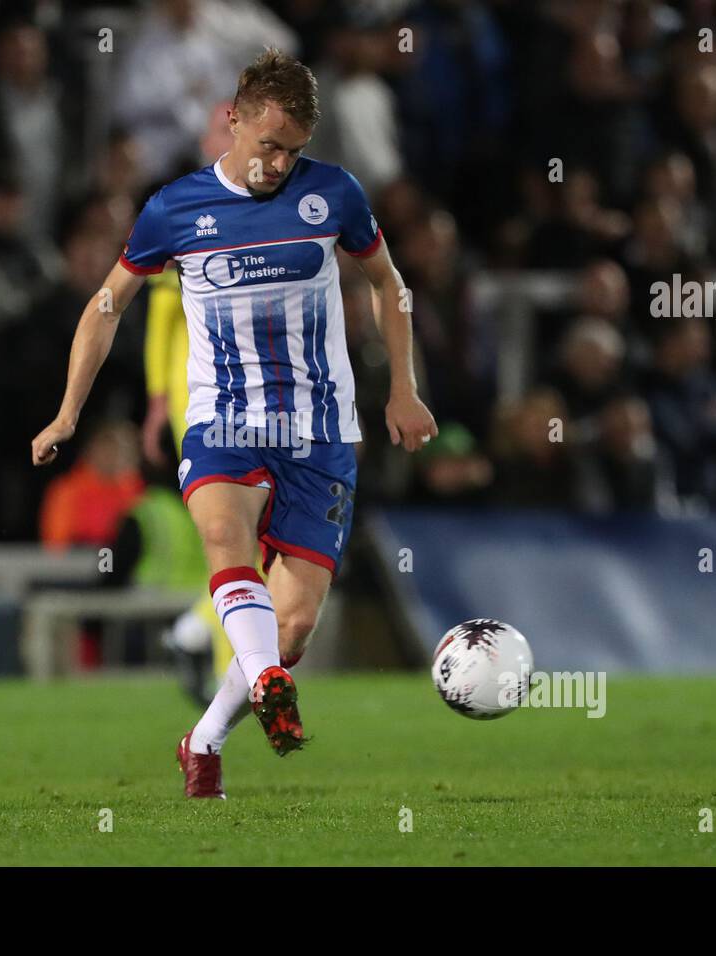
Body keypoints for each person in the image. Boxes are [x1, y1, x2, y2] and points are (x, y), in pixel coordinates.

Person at [31, 49, 437, 799]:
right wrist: (68, 411)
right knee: (225, 539)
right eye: (268, 144)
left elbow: (388, 282)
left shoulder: (335, 196)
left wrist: (403, 390)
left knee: (296, 626)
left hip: (320, 432)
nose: (278, 163)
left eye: (293, 150)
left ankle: (205, 736)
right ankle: (272, 687)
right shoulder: (174, 209)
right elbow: (106, 305)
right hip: (222, 418)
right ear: (233, 121)